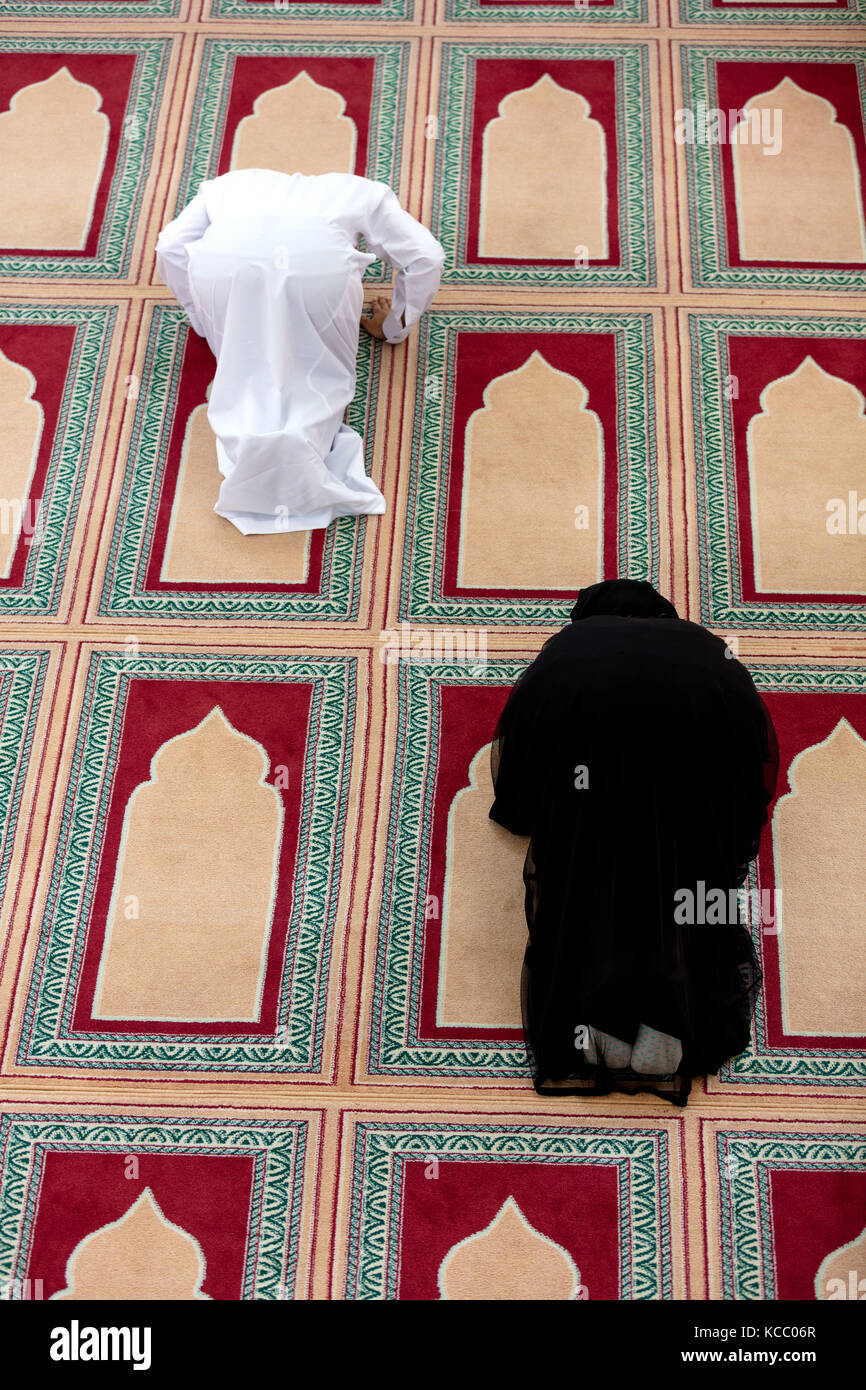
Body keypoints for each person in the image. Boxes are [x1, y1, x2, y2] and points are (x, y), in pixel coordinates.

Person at [489, 579, 779, 1107]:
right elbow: (747, 740)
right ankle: (667, 1021)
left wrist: (529, 805)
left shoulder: (565, 651)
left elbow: (524, 739)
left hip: (589, 786)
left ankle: (598, 1028)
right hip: (686, 789)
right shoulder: (705, 647)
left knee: (591, 890)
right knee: (680, 890)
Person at [155, 168, 445, 535]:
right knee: (312, 374)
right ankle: (297, 466)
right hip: (319, 269)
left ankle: (264, 464)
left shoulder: (223, 185)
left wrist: (207, 321)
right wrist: (394, 328)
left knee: (252, 356)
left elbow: (169, 247)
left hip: (223, 265)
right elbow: (427, 257)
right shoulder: (364, 192)